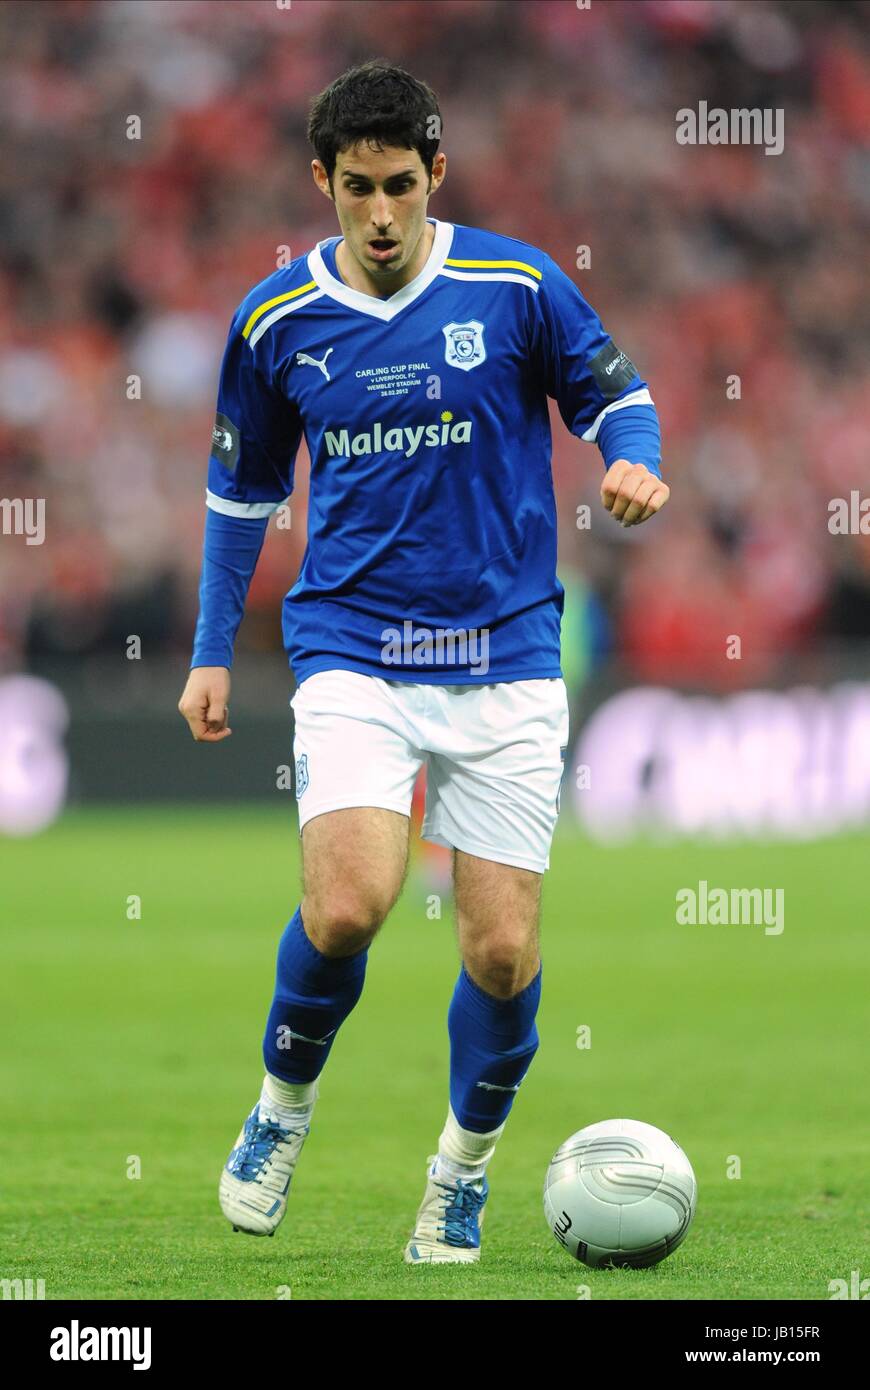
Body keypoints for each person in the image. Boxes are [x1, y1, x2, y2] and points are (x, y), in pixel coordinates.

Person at [177, 60, 668, 1264]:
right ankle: (278, 1115)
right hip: (353, 648)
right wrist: (207, 653)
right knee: (349, 903)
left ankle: (461, 1172)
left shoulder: (516, 285)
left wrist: (635, 459)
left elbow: (623, 396)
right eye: (358, 188)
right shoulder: (276, 320)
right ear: (323, 183)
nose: (382, 213)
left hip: (504, 653)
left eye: (402, 185)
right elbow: (241, 493)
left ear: (437, 175)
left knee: (500, 952)